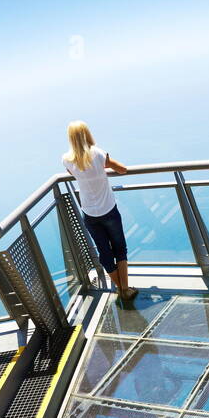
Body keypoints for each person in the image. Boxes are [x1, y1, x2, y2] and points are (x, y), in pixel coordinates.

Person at [62, 121, 137, 301]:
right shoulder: (98, 153)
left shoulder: (66, 159)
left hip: (89, 213)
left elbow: (75, 173)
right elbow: (122, 169)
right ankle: (125, 289)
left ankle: (120, 288)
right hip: (108, 210)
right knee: (120, 248)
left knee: (104, 252)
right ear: (87, 134)